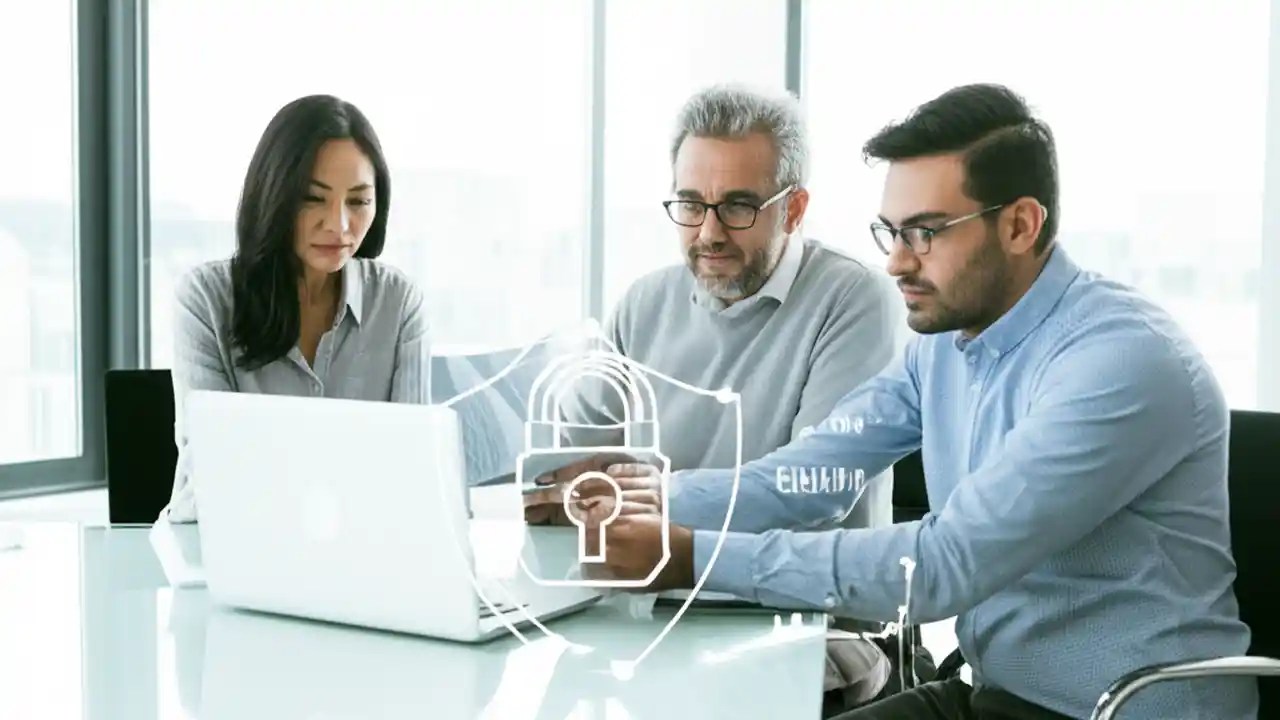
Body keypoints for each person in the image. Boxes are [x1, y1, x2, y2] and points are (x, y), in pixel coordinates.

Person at [560, 84, 1258, 719]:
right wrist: (650, 499)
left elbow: (942, 566)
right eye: (891, 232)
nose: (896, 261)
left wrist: (691, 557)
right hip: (996, 695)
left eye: (925, 232)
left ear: (1019, 225)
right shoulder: (943, 345)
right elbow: (812, 474)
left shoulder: (1119, 362)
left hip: (1116, 710)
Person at [525, 83, 904, 712]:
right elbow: (567, 464)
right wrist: (547, 473)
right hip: (650, 612)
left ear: (795, 207)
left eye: (738, 207)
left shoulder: (853, 299)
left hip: (802, 623)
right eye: (691, 204)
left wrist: (645, 492)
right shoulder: (645, 303)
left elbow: (821, 490)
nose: (708, 232)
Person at [161, 94, 431, 523]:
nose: (339, 225)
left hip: (359, 545)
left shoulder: (399, 304)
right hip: (227, 541)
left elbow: (414, 469)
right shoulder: (206, 298)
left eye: (358, 201)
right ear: (275, 196)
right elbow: (215, 470)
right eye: (312, 198)